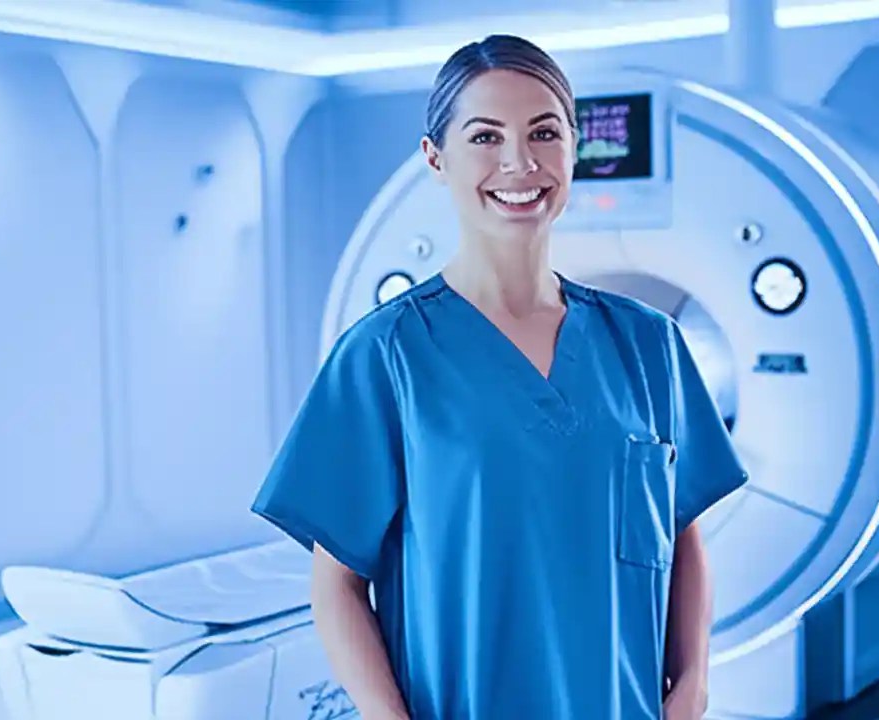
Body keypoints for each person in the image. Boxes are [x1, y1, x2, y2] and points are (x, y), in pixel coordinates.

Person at [251, 34, 748, 720]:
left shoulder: (647, 343)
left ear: (574, 148)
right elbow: (337, 585)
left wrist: (691, 687)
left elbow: (680, 530)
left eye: (545, 132)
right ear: (436, 157)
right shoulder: (386, 354)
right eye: (486, 136)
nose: (520, 162)